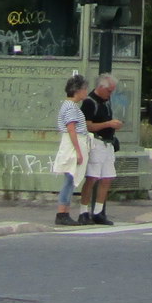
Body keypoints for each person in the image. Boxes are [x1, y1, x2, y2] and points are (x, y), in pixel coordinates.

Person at [79, 74, 122, 225]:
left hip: (108, 143)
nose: (110, 94)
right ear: (101, 87)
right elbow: (87, 125)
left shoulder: (106, 102)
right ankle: (83, 211)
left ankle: (98, 211)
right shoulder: (89, 102)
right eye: (109, 91)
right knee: (92, 178)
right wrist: (108, 124)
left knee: (107, 178)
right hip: (96, 142)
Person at [53, 73, 90, 226]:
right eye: (84, 89)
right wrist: (78, 152)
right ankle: (62, 212)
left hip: (73, 144)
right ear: (77, 90)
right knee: (69, 179)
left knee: (71, 179)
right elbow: (71, 129)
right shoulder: (71, 107)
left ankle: (64, 211)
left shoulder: (70, 106)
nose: (86, 92)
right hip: (72, 145)